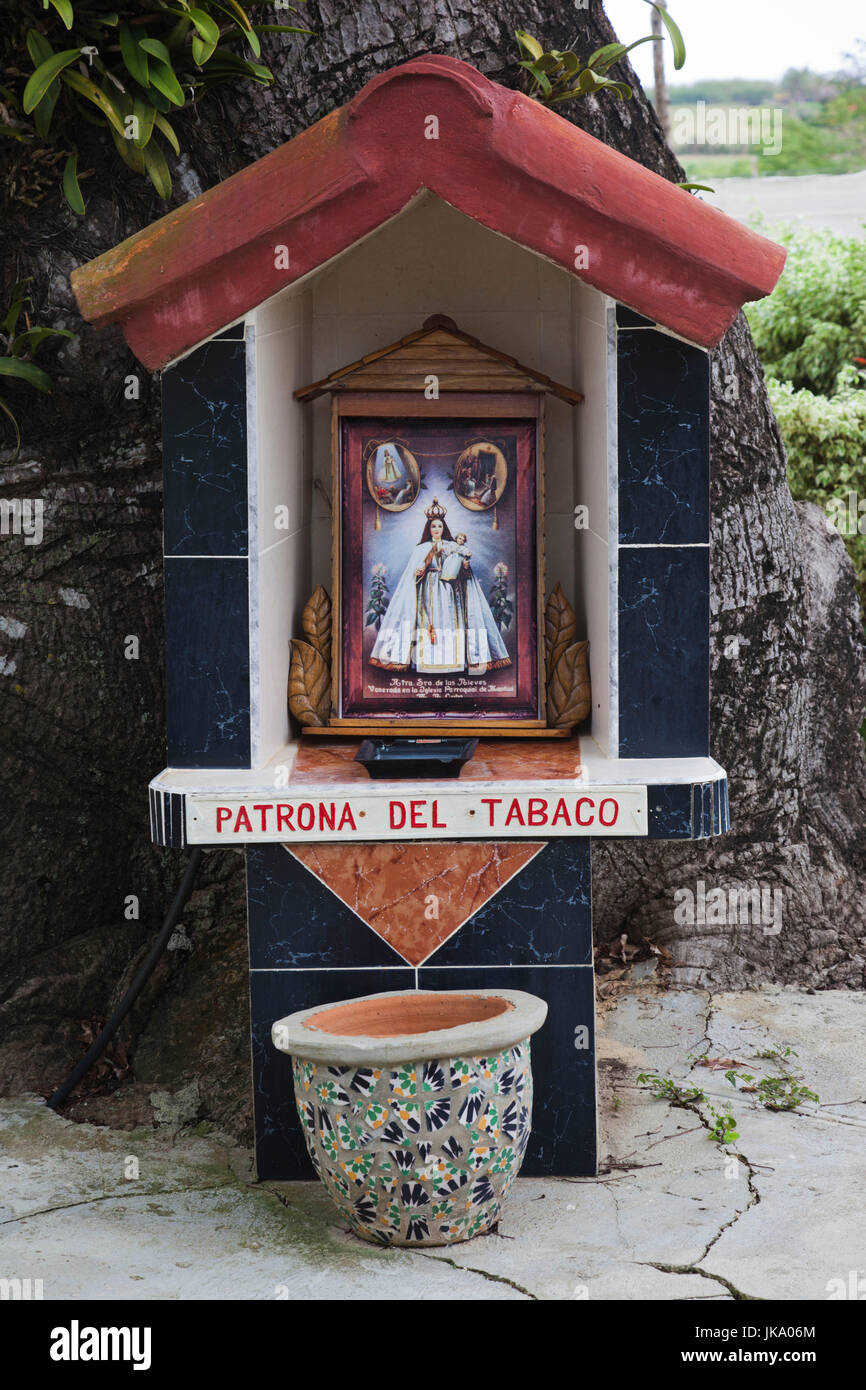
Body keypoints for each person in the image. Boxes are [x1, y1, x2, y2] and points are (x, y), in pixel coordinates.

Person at [368, 500, 510, 674]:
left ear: (444, 528)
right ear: (429, 528)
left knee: (450, 623)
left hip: (449, 590)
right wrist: (419, 572)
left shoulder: (452, 546)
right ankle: (427, 662)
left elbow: (463, 570)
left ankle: (452, 662)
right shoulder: (421, 548)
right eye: (433, 526)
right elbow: (412, 574)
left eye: (439, 526)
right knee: (429, 623)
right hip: (428, 590)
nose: (436, 529)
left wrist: (464, 568)